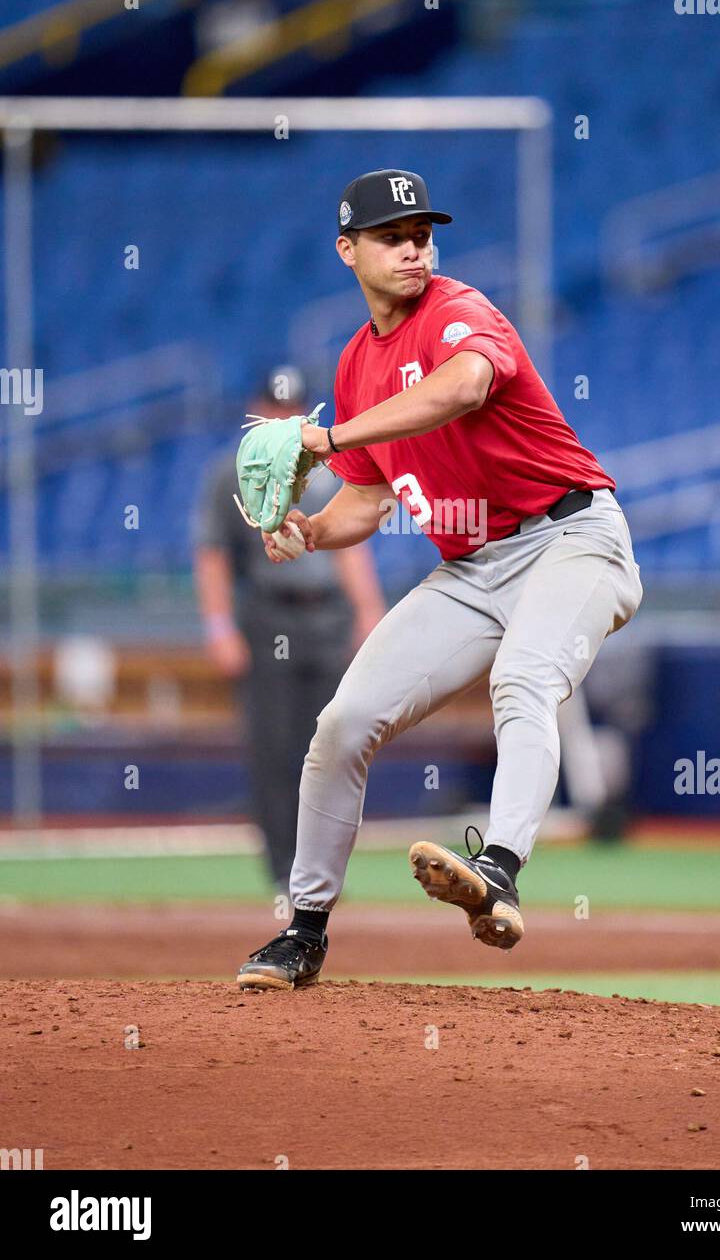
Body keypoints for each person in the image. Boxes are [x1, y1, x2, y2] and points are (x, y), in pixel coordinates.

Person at [237, 169, 642, 990]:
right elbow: (366, 495)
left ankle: (498, 868)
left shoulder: (460, 312)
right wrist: (310, 531)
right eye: (392, 235)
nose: (413, 246)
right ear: (348, 250)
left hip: (571, 538)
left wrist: (323, 437)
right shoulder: (355, 364)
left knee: (525, 680)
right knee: (343, 724)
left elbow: (463, 387)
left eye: (422, 232)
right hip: (472, 570)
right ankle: (303, 933)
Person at [194, 365, 386, 895]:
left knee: (328, 742)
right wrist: (219, 627)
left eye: (290, 408)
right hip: (268, 615)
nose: (282, 417)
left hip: (327, 617)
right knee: (273, 748)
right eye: (273, 408)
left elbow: (353, 546)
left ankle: (320, 871)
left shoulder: (326, 469)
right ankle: (285, 870)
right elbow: (212, 557)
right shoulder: (230, 474)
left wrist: (368, 610)